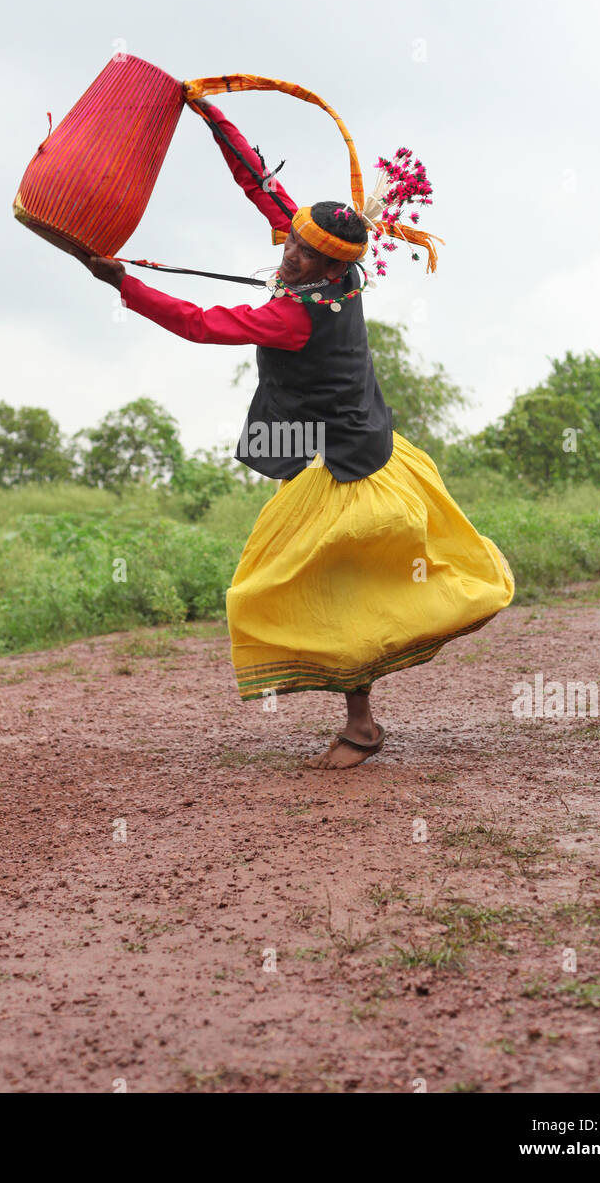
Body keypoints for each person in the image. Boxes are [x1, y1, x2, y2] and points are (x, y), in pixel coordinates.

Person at [76, 107, 514, 770]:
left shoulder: (292, 316)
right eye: (290, 242)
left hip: (344, 471)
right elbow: (263, 186)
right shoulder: (337, 271)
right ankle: (360, 718)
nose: (288, 252)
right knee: (328, 589)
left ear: (328, 263)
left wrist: (124, 285)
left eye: (302, 252)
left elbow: (198, 323)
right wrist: (207, 112)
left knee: (311, 592)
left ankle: (362, 725)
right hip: (345, 449)